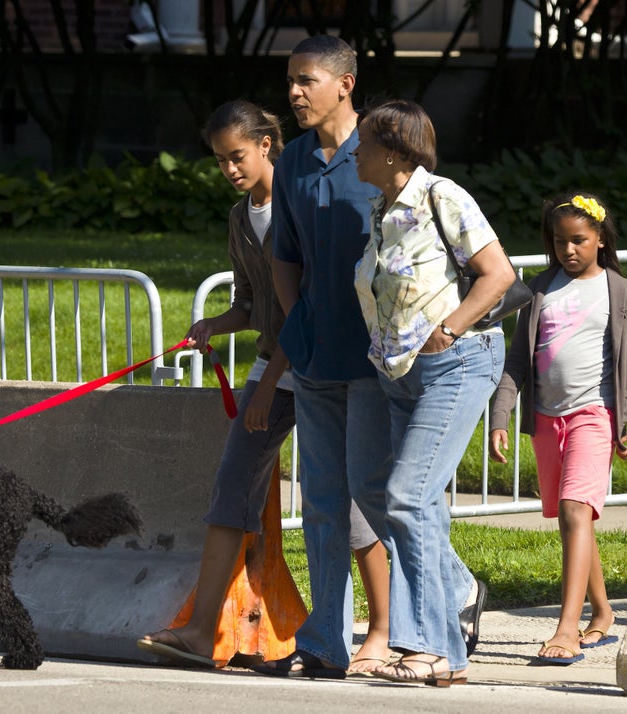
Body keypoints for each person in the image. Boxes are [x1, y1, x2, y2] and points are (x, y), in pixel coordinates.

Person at [137, 98, 391, 675]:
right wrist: (215, 325)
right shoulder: (239, 218)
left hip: (319, 364)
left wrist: (274, 374)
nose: (230, 168)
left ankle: (382, 628)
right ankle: (203, 631)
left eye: (237, 156)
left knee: (349, 503)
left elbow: (306, 306)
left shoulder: (301, 204)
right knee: (232, 488)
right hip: (272, 367)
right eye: (221, 161)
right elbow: (253, 306)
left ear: (266, 145)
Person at [351, 98, 513, 686]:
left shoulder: (442, 196)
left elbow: (499, 274)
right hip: (400, 374)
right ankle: (455, 626)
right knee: (406, 502)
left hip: (458, 363)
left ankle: (427, 648)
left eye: (364, 142)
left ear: (393, 151)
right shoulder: (380, 207)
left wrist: (449, 330)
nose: (355, 151)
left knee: (407, 497)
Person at [252, 35, 395, 680]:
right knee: (321, 504)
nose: (293, 93)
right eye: (290, 80)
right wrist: (300, 320)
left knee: (377, 498)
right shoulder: (294, 162)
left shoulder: (384, 153)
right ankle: (324, 642)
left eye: (306, 80)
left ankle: (432, 606)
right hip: (315, 358)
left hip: (375, 362)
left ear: (346, 85)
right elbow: (285, 254)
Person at [488, 191, 627, 665]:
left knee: (573, 511)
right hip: (547, 420)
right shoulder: (539, 290)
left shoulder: (620, 292)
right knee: (574, 519)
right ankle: (602, 613)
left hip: (595, 415)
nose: (569, 250)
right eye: (560, 242)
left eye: (579, 241)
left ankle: (566, 630)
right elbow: (516, 361)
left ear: (600, 239)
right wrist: (501, 416)